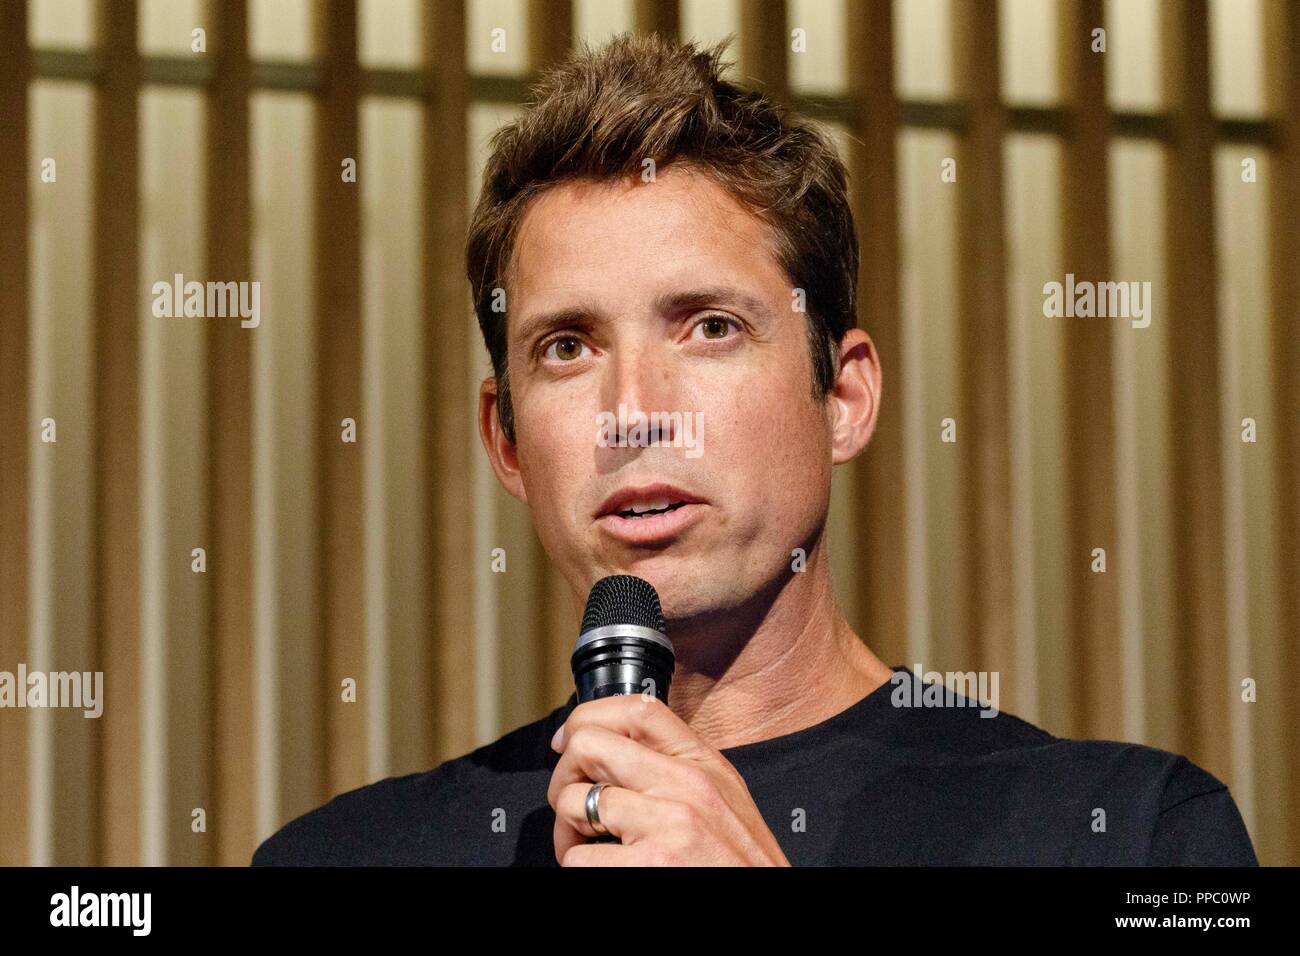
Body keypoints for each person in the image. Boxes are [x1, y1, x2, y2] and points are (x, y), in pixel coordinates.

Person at [252, 32, 1257, 867]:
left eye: (709, 327)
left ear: (844, 396)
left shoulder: (1128, 834)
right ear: (504, 440)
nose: (635, 411)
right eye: (567, 347)